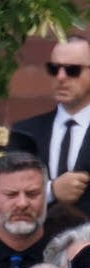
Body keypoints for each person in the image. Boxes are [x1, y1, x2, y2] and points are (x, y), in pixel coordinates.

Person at [16, 35, 90, 209]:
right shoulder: (24, 133)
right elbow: (7, 192)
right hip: (38, 234)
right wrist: (51, 190)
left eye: (72, 70)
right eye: (54, 68)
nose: (61, 77)